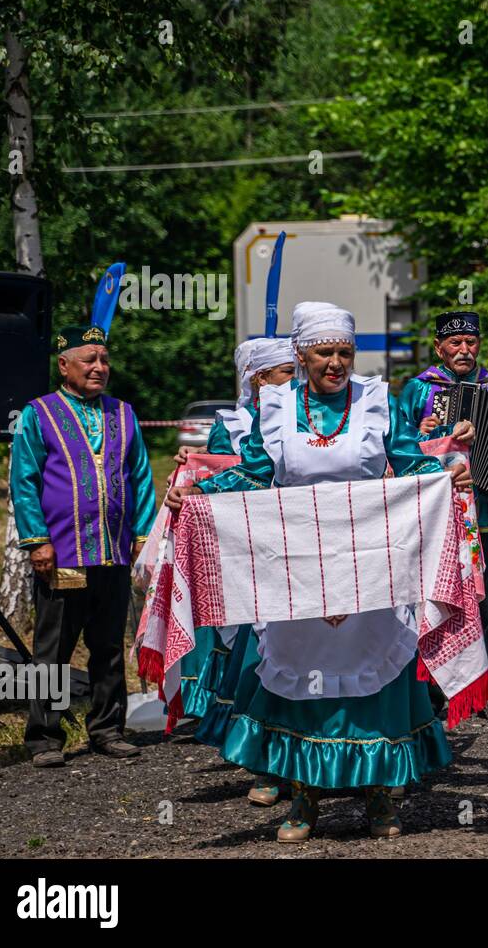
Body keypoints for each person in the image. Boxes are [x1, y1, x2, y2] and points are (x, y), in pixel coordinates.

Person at [165, 302, 474, 843]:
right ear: (301, 354)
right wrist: (199, 491)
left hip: (372, 562)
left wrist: (447, 472)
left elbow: (407, 462)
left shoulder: (378, 400)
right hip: (297, 569)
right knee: (303, 677)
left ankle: (379, 797)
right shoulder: (276, 406)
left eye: (345, 353)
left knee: (373, 673)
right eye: (325, 352)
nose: (336, 363)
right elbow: (256, 472)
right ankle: (304, 801)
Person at [10, 323, 155, 767]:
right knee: (53, 647)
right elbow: (24, 480)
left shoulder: (123, 414)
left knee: (109, 645)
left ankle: (107, 729)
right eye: (89, 360)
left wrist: (143, 536)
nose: (99, 367)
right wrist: (37, 541)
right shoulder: (39, 414)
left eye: (104, 360)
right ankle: (43, 738)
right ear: (64, 365)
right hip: (63, 553)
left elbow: (141, 476)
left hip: (111, 550)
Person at [395, 311, 488, 725]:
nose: (465, 350)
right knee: (440, 598)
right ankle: (433, 691)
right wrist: (427, 434)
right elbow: (397, 448)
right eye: (455, 343)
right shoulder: (418, 390)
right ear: (439, 348)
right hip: (441, 518)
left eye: (471, 342)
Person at [175, 337, 296, 806]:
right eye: (286, 372)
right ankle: (263, 763)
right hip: (253, 554)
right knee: (257, 660)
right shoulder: (232, 427)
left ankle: (308, 760)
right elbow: (227, 479)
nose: (295, 380)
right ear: (259, 379)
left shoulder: (308, 417)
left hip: (303, 550)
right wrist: (198, 486)